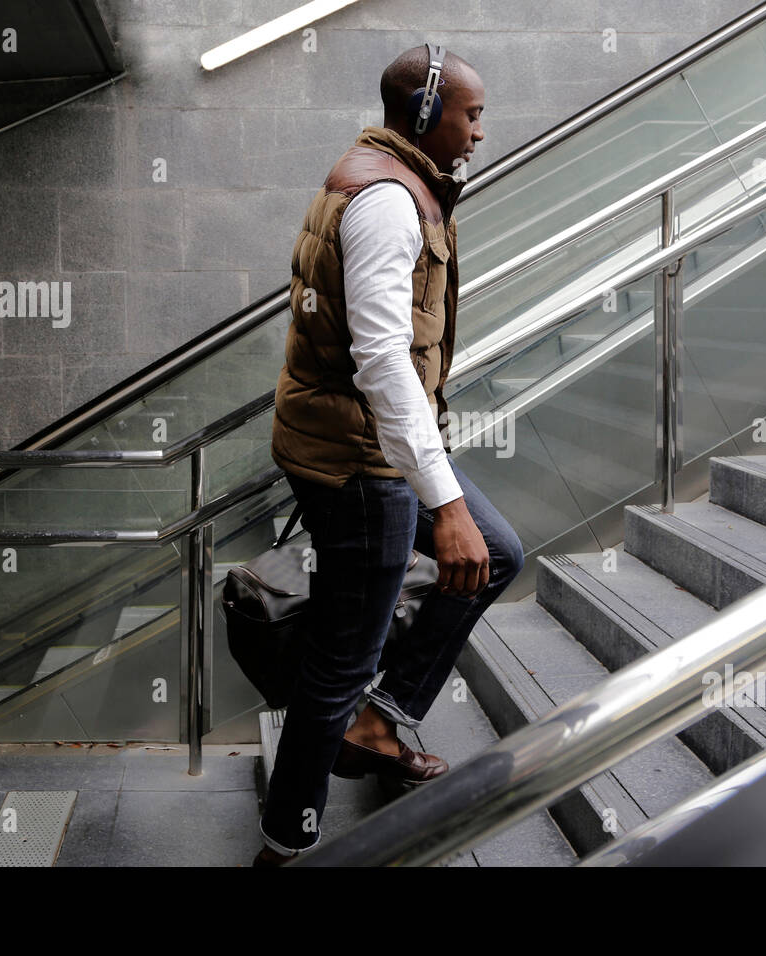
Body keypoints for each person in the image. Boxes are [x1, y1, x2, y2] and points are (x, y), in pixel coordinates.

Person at [255, 43, 523, 866]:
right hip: (361, 464)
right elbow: (382, 364)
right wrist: (444, 507)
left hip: (358, 445)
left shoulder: (387, 177)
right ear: (424, 114)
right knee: (342, 658)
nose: (480, 131)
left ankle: (382, 720)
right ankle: (286, 840)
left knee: (499, 554)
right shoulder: (387, 203)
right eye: (471, 114)